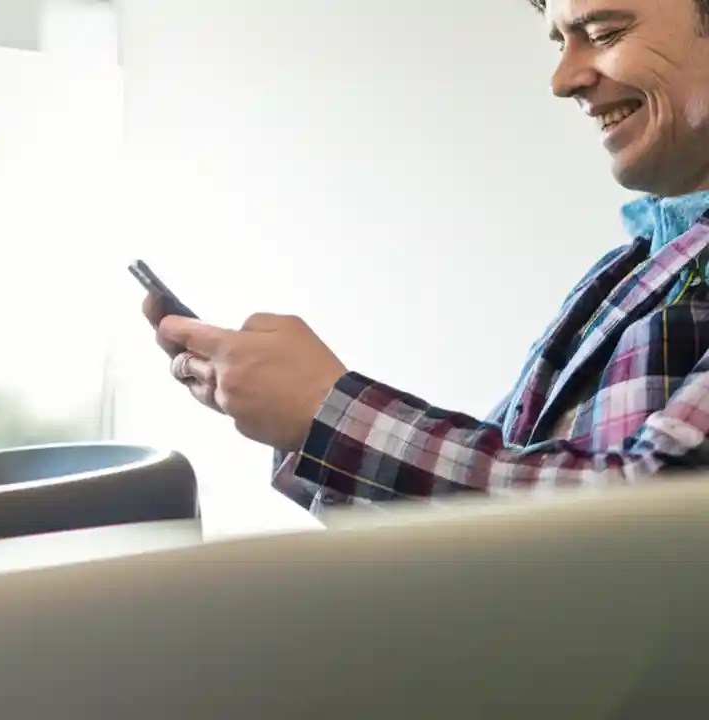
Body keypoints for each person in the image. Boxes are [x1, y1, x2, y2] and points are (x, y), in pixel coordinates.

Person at [143, 0, 709, 516]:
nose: (563, 80)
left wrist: (328, 413)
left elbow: (651, 522)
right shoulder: (620, 273)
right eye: (561, 43)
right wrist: (296, 421)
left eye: (604, 33)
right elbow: (485, 520)